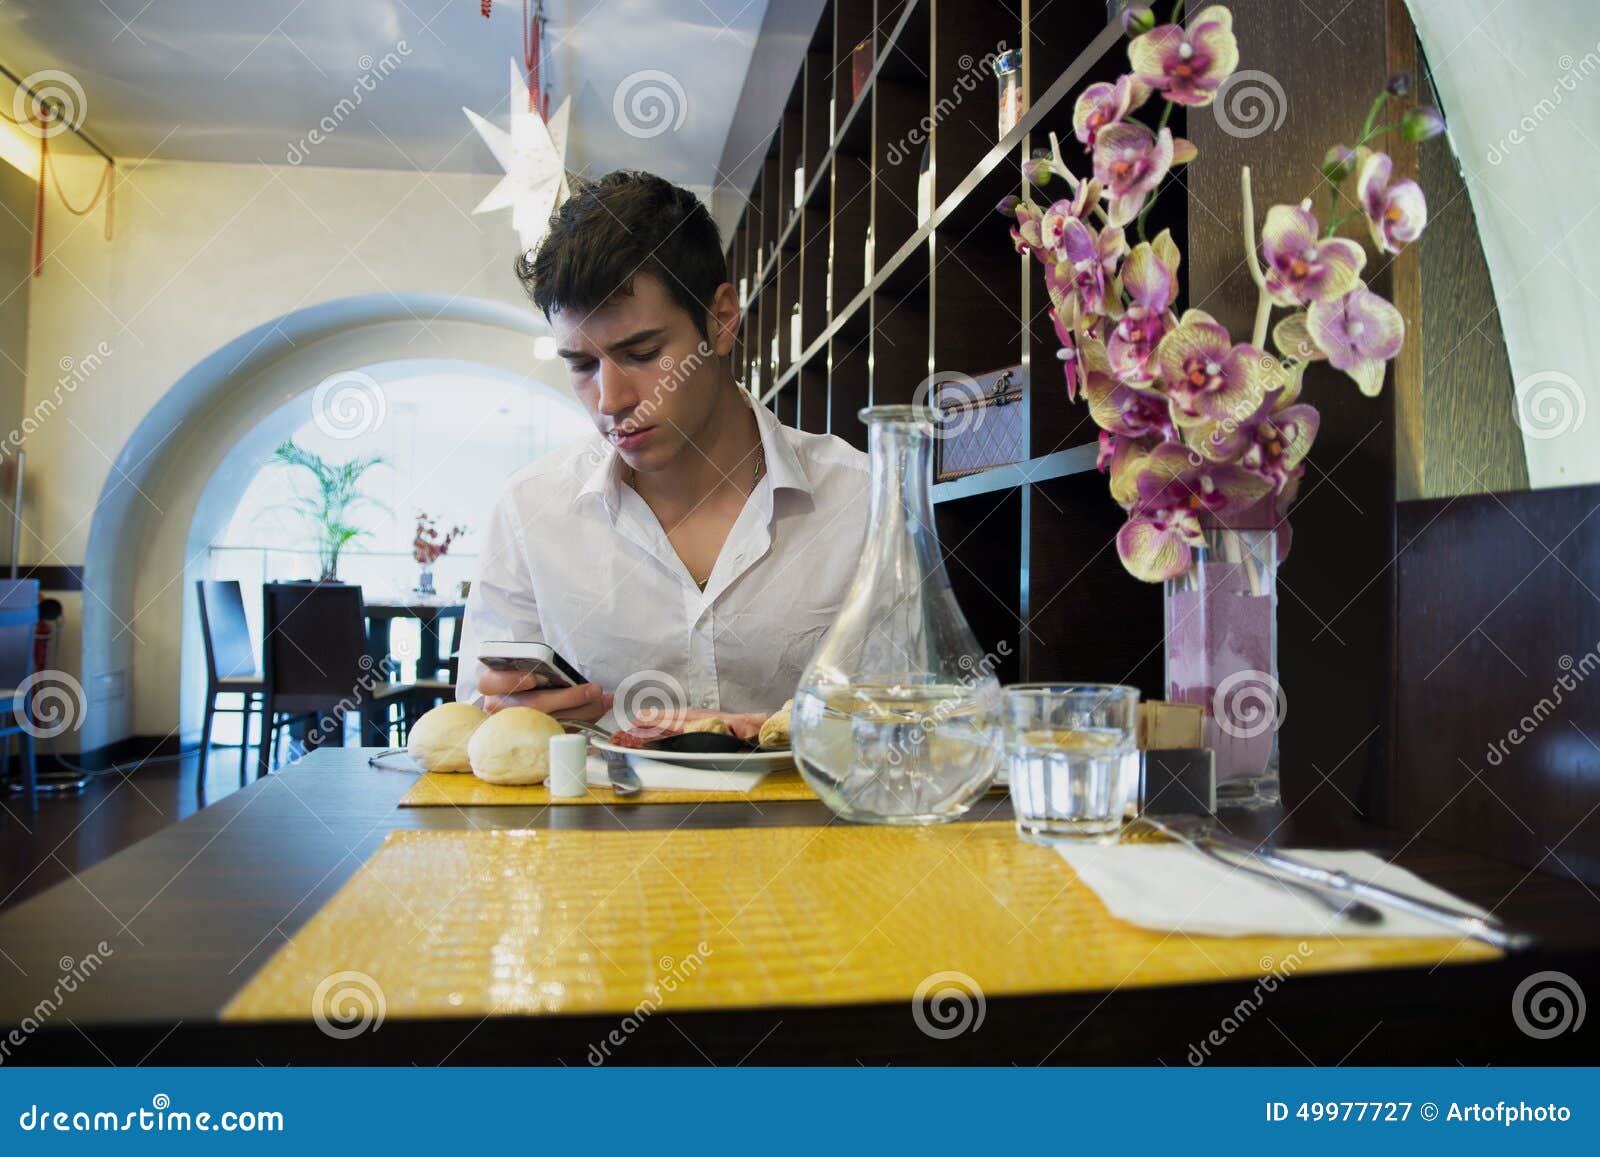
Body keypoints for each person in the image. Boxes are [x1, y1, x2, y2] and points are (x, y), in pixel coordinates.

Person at [454, 170, 869, 736]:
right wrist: (511, 717)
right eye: (581, 365)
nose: (610, 400)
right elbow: (478, 725)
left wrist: (783, 732)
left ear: (721, 320)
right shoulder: (529, 511)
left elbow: (928, 721)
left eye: (643, 353)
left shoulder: (861, 498)